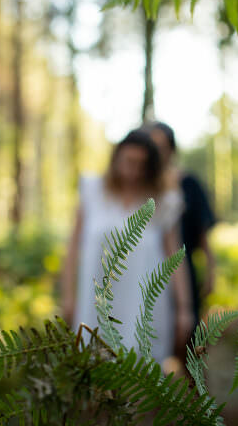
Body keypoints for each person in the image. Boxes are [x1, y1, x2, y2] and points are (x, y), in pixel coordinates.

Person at [61, 129, 194, 366]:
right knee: (95, 369)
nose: (133, 170)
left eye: (142, 165)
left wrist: (184, 308)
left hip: (144, 308)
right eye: (129, 161)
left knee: (142, 373)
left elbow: (175, 256)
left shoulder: (163, 202)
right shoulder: (92, 191)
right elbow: (72, 248)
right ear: (116, 159)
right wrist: (68, 295)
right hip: (95, 305)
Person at [146, 122, 217, 354]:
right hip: (146, 276)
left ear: (172, 150)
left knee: (190, 346)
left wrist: (211, 272)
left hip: (183, 272)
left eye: (162, 147)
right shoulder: (139, 186)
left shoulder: (189, 184)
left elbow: (203, 233)